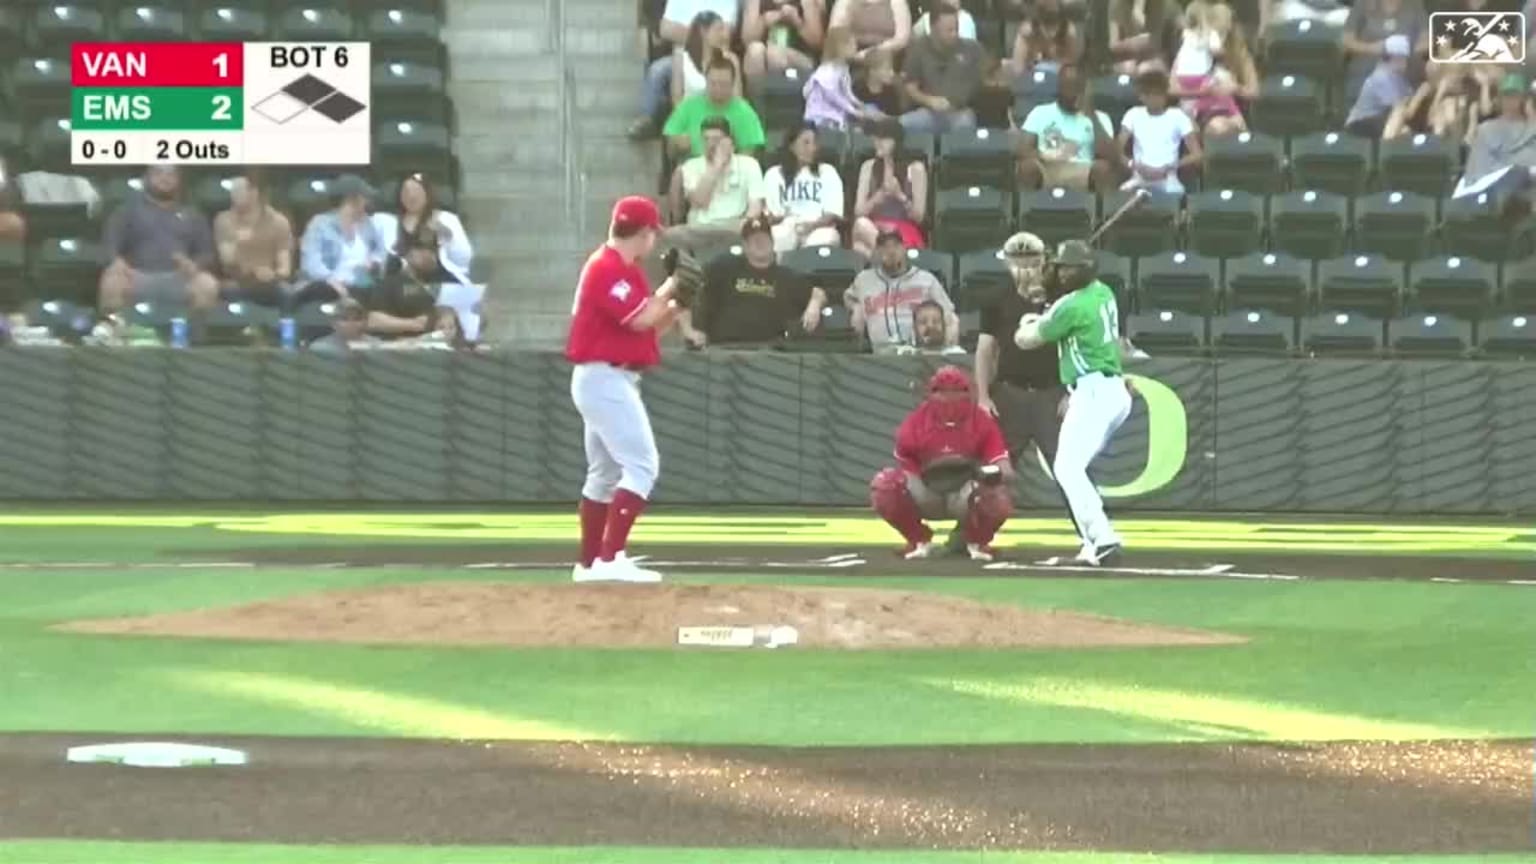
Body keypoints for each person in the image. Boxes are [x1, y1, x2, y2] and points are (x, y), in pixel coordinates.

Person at [566, 196, 685, 583]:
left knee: (603, 472)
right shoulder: (606, 267)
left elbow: (650, 327)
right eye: (653, 232)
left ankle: (588, 564)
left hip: (610, 377)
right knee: (642, 466)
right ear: (644, 231)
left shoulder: (624, 269)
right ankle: (610, 557)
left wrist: (678, 302)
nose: (655, 241)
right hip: (603, 378)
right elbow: (641, 319)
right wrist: (673, 286)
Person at [1013, 240, 1133, 567]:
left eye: (1069, 268)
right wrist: (1049, 301)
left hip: (1094, 392)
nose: (1063, 273)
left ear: (1084, 269)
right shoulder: (1103, 291)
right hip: (1107, 392)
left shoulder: (1073, 307)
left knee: (1067, 467)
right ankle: (1092, 544)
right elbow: (1063, 307)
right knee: (1072, 468)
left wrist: (1030, 316)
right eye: (1061, 267)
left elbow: (1026, 340)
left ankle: (1103, 537)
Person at [868, 365, 1013, 561]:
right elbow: (905, 469)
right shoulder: (915, 422)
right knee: (885, 484)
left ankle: (977, 542)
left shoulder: (982, 421)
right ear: (931, 393)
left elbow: (1005, 467)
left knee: (998, 494)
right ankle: (918, 540)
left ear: (968, 393)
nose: (949, 398)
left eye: (956, 392)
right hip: (927, 489)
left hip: (966, 491)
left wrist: (992, 474)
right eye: (942, 392)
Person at [297, 175, 426, 335]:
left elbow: (380, 252)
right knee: (360, 298)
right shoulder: (320, 224)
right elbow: (311, 262)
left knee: (399, 287)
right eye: (365, 198)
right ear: (354, 199)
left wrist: (374, 262)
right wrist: (330, 280)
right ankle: (411, 325)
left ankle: (411, 327)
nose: (368, 203)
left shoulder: (367, 224)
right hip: (329, 284)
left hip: (362, 281)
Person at [98, 165, 220, 317]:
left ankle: (196, 336)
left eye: (171, 175)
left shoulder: (193, 214)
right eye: (158, 174)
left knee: (207, 285)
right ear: (147, 178)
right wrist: (117, 263)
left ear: (179, 180)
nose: (165, 179)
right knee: (112, 283)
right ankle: (114, 336)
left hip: (179, 277)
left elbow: (207, 253)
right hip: (137, 275)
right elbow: (110, 245)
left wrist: (193, 265)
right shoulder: (127, 211)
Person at [686, 215, 826, 345]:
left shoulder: (787, 276)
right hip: (726, 350)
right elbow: (684, 283)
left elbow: (817, 292)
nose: (760, 243)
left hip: (772, 354)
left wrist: (814, 304)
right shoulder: (724, 268)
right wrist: (688, 330)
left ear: (772, 243)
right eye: (754, 240)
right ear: (745, 246)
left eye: (764, 239)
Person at [370, 172, 474, 322]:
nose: (411, 196)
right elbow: (377, 252)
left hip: (439, 281)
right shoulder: (385, 221)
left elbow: (464, 258)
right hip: (400, 282)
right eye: (406, 192)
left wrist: (447, 235)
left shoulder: (446, 219)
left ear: (427, 194)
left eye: (416, 191)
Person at [629, 0, 742, 139]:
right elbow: (665, 29)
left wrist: (689, 32)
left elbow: (725, 34)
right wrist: (699, 35)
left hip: (717, 57)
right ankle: (646, 118)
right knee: (657, 70)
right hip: (684, 55)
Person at [845, 228, 957, 352]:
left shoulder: (926, 279)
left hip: (918, 353)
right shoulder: (864, 280)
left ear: (904, 248)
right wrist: (856, 308)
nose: (891, 251)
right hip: (879, 354)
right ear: (877, 252)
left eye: (896, 245)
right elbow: (848, 297)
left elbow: (949, 315)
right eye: (884, 246)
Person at [666, 116, 767, 250]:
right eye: (706, 139)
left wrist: (746, 225)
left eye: (716, 139)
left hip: (735, 226)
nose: (711, 144)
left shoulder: (749, 164)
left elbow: (755, 207)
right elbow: (699, 202)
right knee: (672, 235)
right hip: (701, 229)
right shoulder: (690, 166)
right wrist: (716, 166)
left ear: (730, 142)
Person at [1019, 64, 1117, 191]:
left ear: (1084, 88)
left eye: (1076, 86)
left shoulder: (1100, 117)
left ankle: (1104, 211)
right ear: (1059, 87)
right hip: (1048, 168)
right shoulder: (1040, 112)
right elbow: (1022, 149)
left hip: (1082, 170)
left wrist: (1091, 115)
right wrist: (1043, 155)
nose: (1071, 92)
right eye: (1067, 86)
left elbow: (1111, 156)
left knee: (1103, 170)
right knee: (1027, 168)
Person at [900, 6, 985, 134]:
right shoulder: (918, 48)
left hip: (961, 113)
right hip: (928, 112)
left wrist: (955, 102)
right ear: (933, 29)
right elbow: (910, 86)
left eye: (956, 29)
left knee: (964, 126)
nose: (954, 34)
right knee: (901, 124)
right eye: (949, 30)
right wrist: (929, 100)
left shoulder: (972, 50)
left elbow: (979, 84)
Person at [214, 172, 294, 308]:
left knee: (286, 293)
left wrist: (272, 275)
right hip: (238, 282)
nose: (234, 195)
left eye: (239, 190)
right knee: (226, 291)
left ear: (254, 193)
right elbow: (227, 262)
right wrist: (236, 242)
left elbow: (285, 268)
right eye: (233, 191)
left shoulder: (278, 222)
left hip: (270, 283)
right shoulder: (224, 220)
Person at [851, 118, 928, 256]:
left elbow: (919, 217)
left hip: (902, 232)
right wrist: (877, 198)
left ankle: (889, 257)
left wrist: (900, 196)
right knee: (860, 226)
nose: (877, 142)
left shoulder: (916, 168)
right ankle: (891, 257)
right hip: (873, 230)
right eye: (876, 138)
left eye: (884, 138)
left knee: (860, 248)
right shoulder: (868, 167)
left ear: (896, 141)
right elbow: (858, 212)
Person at [663, 58, 769, 158]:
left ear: (732, 84)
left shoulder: (744, 112)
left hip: (731, 169)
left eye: (723, 84)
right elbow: (670, 150)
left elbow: (748, 155)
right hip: (693, 167)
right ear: (706, 81)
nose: (718, 88)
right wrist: (677, 144)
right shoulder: (688, 106)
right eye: (713, 83)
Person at [1117, 67, 1201, 194]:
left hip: (1168, 177)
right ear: (1141, 96)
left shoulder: (1178, 116)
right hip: (1139, 176)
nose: (1154, 98)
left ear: (1165, 94)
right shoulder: (1133, 114)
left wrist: (1171, 166)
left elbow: (1197, 154)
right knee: (1121, 195)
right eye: (1148, 94)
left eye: (1158, 94)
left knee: (1175, 194)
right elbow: (1116, 150)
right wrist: (1133, 165)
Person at [763, 124, 844, 252]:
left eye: (814, 143)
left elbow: (832, 214)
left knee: (821, 241)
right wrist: (777, 218)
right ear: (791, 146)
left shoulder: (827, 172)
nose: (812, 148)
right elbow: (772, 214)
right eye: (806, 143)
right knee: (776, 237)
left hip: (819, 227)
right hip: (787, 226)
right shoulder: (774, 174)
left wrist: (811, 226)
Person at [742, 0, 826, 90]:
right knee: (754, 51)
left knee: (774, 54)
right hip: (765, 57)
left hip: (800, 61)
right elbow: (747, 39)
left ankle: (782, 100)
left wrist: (797, 21)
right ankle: (757, 100)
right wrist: (763, 21)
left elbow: (817, 43)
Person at [1345, 34, 1415, 139]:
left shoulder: (1399, 77)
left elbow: (1408, 99)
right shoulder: (1381, 77)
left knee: (1406, 131)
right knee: (1401, 124)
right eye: (1404, 58)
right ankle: (1387, 148)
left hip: (1380, 120)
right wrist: (1423, 92)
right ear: (1394, 58)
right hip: (1360, 123)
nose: (1406, 62)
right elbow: (1404, 111)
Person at [672, 11, 743, 107]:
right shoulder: (681, 57)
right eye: (718, 30)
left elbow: (737, 99)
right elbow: (677, 99)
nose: (723, 35)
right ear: (703, 32)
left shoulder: (731, 59)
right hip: (690, 117)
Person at [803, 26, 866, 129]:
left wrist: (858, 103)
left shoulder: (843, 69)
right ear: (840, 47)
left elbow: (846, 92)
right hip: (821, 117)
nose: (856, 48)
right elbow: (833, 96)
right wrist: (853, 110)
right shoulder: (827, 70)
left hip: (837, 115)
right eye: (851, 44)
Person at [1010, 0, 1082, 75]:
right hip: (1033, 80)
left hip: (1060, 81)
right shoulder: (1026, 31)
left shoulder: (1068, 29)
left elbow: (1071, 67)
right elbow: (1018, 68)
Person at [829, 0, 912, 59]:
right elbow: (836, 33)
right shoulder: (845, 2)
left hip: (887, 55)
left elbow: (902, 38)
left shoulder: (897, 2)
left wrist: (872, 53)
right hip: (853, 53)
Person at [307, 298, 377, 354]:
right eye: (344, 319)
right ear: (333, 323)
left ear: (365, 321)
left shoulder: (376, 346)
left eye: (357, 319)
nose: (352, 323)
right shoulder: (320, 348)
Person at [852, 46, 905, 119]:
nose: (892, 73)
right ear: (872, 71)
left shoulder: (891, 92)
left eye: (891, 69)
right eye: (887, 69)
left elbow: (896, 120)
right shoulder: (857, 90)